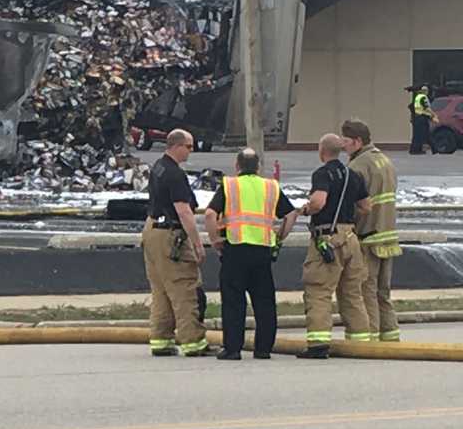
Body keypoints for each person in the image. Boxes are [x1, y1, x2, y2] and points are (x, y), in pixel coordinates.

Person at [278, 133, 373, 359]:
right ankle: (360, 342)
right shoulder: (353, 175)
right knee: (352, 293)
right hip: (350, 238)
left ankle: (318, 344)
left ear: (322, 152)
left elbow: (319, 202)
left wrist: (307, 209)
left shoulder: (322, 174)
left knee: (318, 291)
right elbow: (366, 206)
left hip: (327, 238)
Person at [204, 148, 299, 360]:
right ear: (258, 167)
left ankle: (233, 349)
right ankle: (263, 348)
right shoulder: (270, 186)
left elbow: (210, 215)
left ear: (236, 166)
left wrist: (215, 240)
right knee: (264, 301)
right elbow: (291, 214)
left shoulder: (230, 185)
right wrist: (280, 237)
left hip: (235, 248)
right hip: (262, 251)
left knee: (233, 301)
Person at [143, 129, 210, 357]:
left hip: (152, 230)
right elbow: (184, 212)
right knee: (184, 288)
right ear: (176, 146)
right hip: (171, 235)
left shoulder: (159, 167)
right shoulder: (175, 174)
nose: (191, 151)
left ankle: (161, 340)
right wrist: (197, 243)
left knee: (161, 290)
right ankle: (193, 342)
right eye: (189, 147)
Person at [342, 118, 402, 342]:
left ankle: (373, 339)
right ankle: (391, 337)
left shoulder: (358, 166)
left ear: (357, 141)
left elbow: (355, 205)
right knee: (383, 293)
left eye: (346, 141)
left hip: (369, 236)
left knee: (366, 289)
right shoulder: (385, 160)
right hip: (389, 236)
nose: (343, 146)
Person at [409, 85, 437, 154]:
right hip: (421, 119)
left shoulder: (418, 97)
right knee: (423, 135)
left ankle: (415, 150)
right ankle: (434, 149)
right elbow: (426, 108)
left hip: (418, 118)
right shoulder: (422, 98)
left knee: (418, 135)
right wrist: (432, 115)